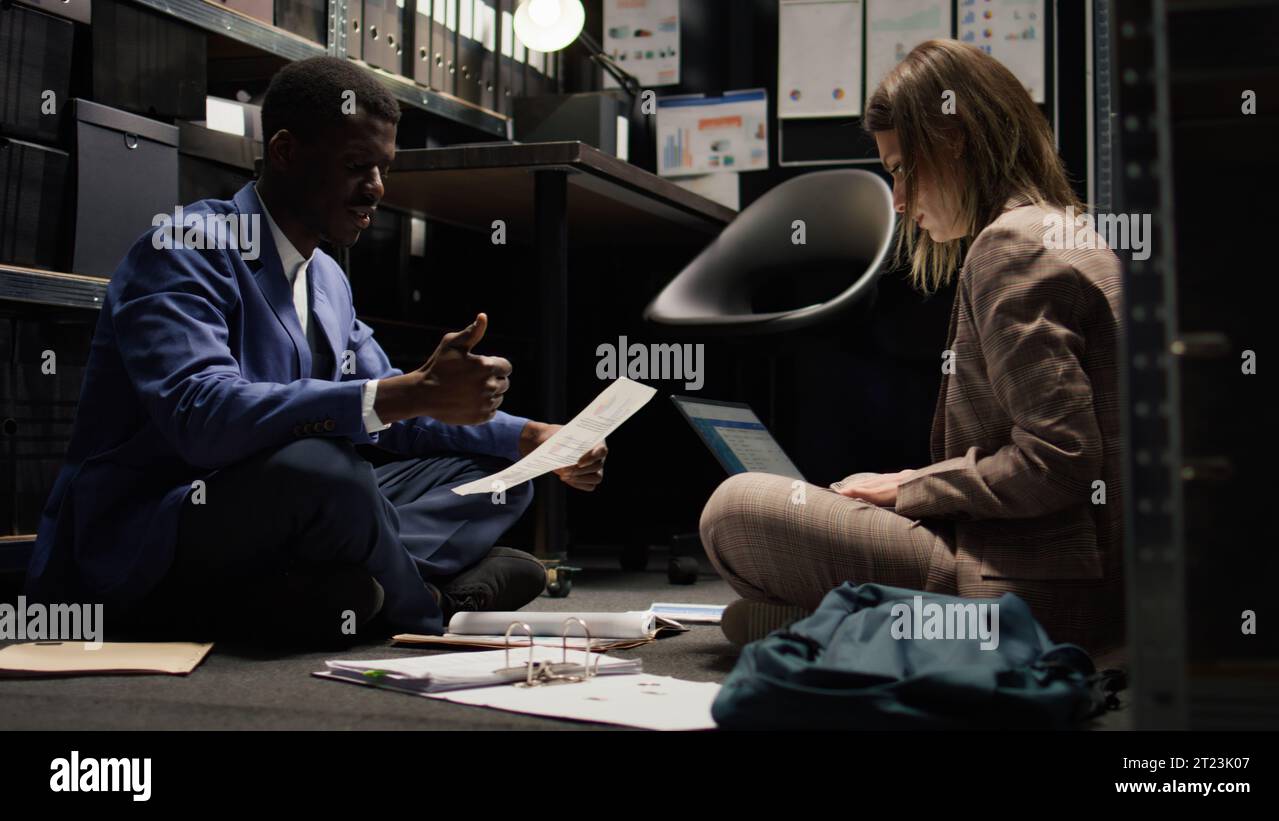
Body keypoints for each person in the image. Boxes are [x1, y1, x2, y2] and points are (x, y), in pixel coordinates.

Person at [25, 57, 608, 644]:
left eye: (384, 168)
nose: (377, 188)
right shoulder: (185, 246)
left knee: (502, 474)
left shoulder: (328, 279)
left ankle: (344, 583)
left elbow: (394, 415)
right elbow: (201, 417)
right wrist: (400, 394)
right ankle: (424, 605)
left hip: (287, 512)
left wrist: (530, 436)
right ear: (284, 152)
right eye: (358, 166)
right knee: (326, 469)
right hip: (165, 522)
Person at [700, 40, 1125, 662]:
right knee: (750, 611)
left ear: (954, 141)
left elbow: (1060, 460)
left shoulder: (1012, 247)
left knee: (734, 509)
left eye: (902, 169)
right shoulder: (1067, 230)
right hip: (1095, 582)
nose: (898, 201)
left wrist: (912, 489)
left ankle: (904, 632)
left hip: (1038, 589)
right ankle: (861, 629)